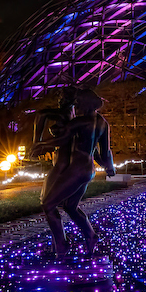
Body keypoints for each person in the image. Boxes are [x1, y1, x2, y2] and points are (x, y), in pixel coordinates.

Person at [32, 86, 116, 258]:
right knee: (70, 206)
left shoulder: (79, 122)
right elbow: (105, 151)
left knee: (48, 204)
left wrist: (41, 145)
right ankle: (91, 236)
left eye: (78, 104)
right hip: (89, 168)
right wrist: (109, 167)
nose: (76, 107)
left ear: (84, 104)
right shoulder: (102, 123)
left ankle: (61, 245)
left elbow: (63, 139)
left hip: (77, 168)